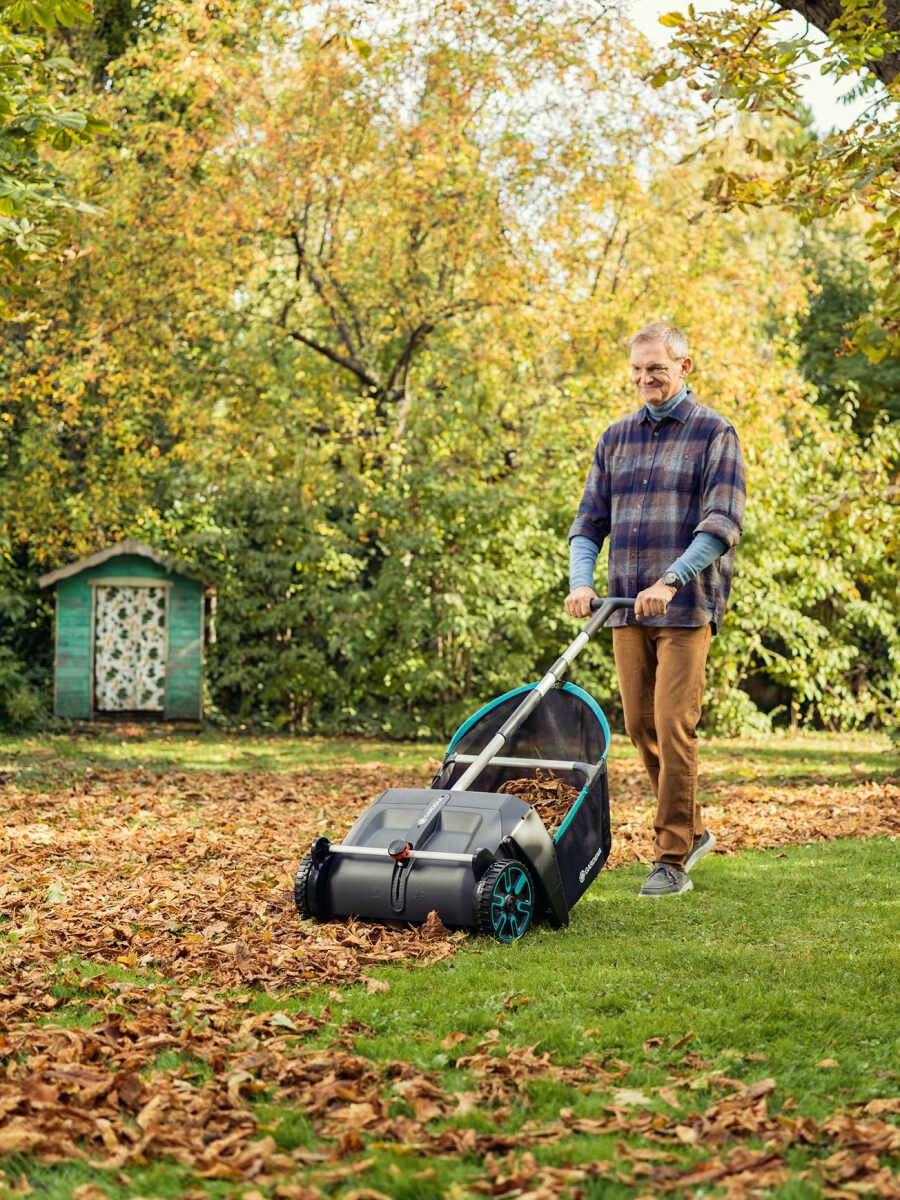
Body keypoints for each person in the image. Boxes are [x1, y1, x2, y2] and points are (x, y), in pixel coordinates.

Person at [565, 322, 746, 897]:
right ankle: (691, 830)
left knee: (673, 724)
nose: (646, 379)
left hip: (687, 606)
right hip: (623, 606)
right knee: (640, 726)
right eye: (638, 370)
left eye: (657, 370)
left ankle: (670, 856)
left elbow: (721, 524)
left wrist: (671, 580)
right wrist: (580, 581)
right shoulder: (615, 437)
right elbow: (589, 521)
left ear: (685, 366)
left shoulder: (716, 433)